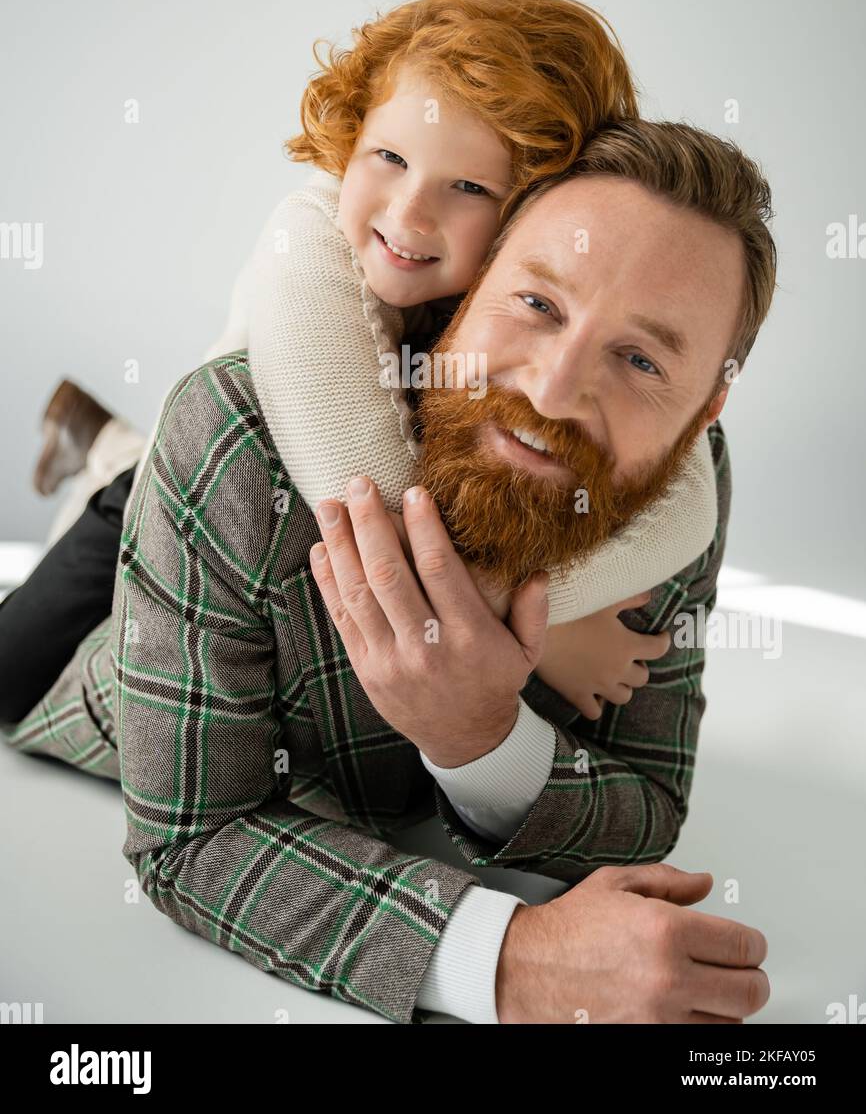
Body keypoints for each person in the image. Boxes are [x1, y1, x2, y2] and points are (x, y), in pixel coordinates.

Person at [2, 118, 777, 1024]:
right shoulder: (232, 441)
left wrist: (482, 737)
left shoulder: (675, 485)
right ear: (469, 284)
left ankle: (118, 459)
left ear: (705, 407)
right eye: (536, 304)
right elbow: (193, 838)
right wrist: (509, 959)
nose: (554, 393)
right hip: (99, 636)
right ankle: (126, 478)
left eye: (642, 359)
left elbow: (647, 802)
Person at [0, 0, 717, 721]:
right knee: (13, 675)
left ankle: (103, 436)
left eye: (470, 185)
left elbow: (692, 505)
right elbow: (365, 500)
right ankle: (117, 459)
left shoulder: (538, 298)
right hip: (198, 497)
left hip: (308, 539)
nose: (409, 212)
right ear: (352, 136)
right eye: (388, 157)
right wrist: (535, 630)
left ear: (537, 213)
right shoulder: (306, 239)